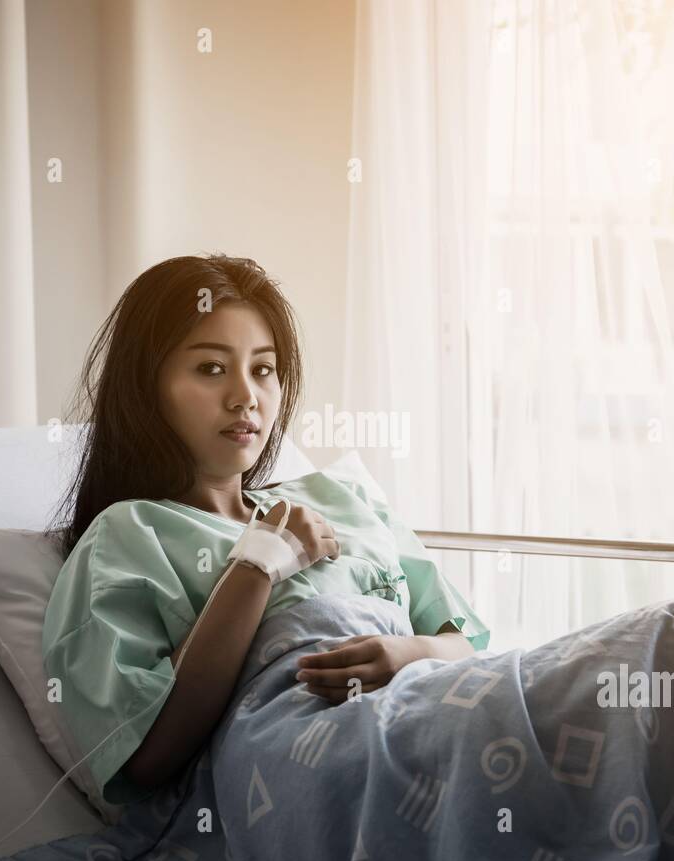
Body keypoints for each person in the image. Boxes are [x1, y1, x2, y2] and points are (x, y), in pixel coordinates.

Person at [44, 253, 489, 807]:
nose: (245, 397)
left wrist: (410, 652)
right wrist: (256, 565)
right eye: (210, 368)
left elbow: (466, 647)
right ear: (146, 386)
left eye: (263, 369)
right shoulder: (129, 534)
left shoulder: (343, 500)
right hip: (324, 769)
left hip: (445, 707)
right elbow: (148, 757)